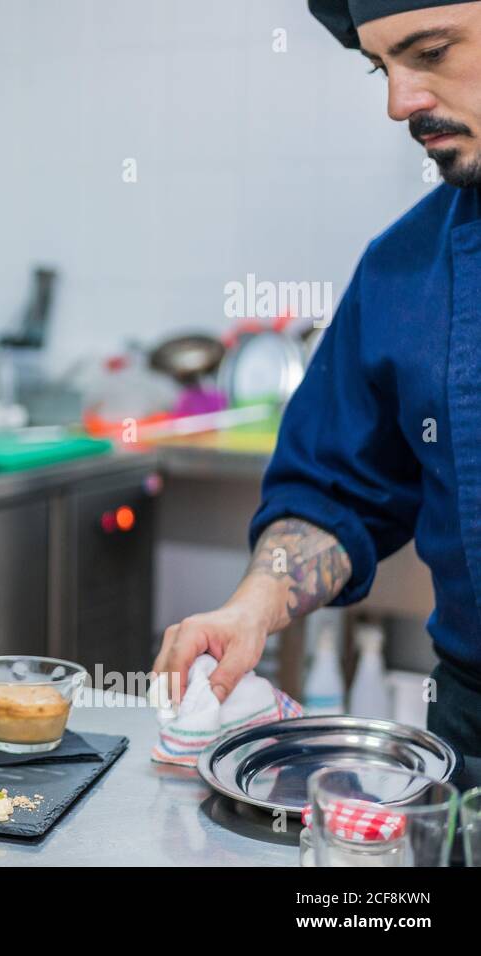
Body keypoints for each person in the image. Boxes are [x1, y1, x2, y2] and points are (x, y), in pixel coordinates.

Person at [155, 0, 481, 761]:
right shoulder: (403, 269)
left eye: (430, 51)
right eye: (381, 68)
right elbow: (338, 494)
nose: (400, 102)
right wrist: (253, 607)